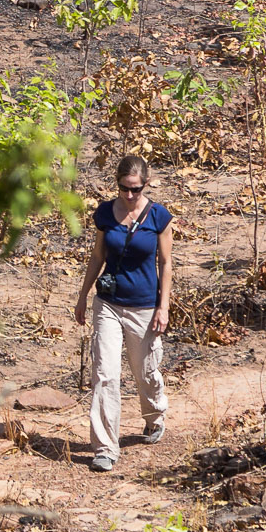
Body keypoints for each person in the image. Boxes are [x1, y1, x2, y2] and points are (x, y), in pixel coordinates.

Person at [73, 155, 174, 473]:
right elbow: (98, 255)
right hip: (108, 303)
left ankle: (154, 416)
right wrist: (82, 295)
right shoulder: (105, 213)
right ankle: (105, 448)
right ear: (116, 183)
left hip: (144, 306)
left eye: (135, 189)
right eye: (123, 188)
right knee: (105, 374)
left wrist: (164, 306)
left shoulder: (159, 216)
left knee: (145, 371)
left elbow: (166, 263)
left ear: (145, 185)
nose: (129, 195)